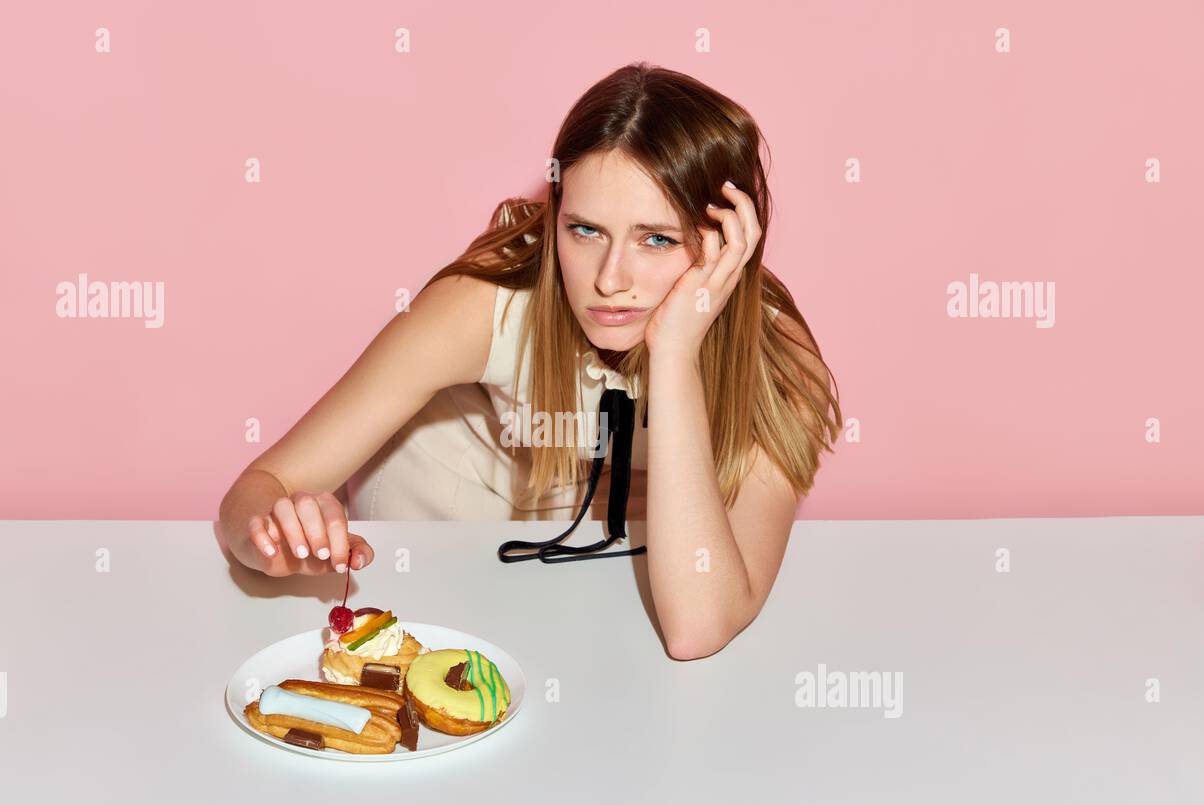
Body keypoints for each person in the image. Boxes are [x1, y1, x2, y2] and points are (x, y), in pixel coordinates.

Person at [218, 62, 842, 659]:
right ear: (555, 215)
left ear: (726, 241)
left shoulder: (779, 365)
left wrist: (675, 353)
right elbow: (251, 496)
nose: (610, 278)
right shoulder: (483, 306)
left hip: (614, 574)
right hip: (446, 545)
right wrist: (277, 541)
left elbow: (697, 628)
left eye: (657, 238)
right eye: (585, 230)